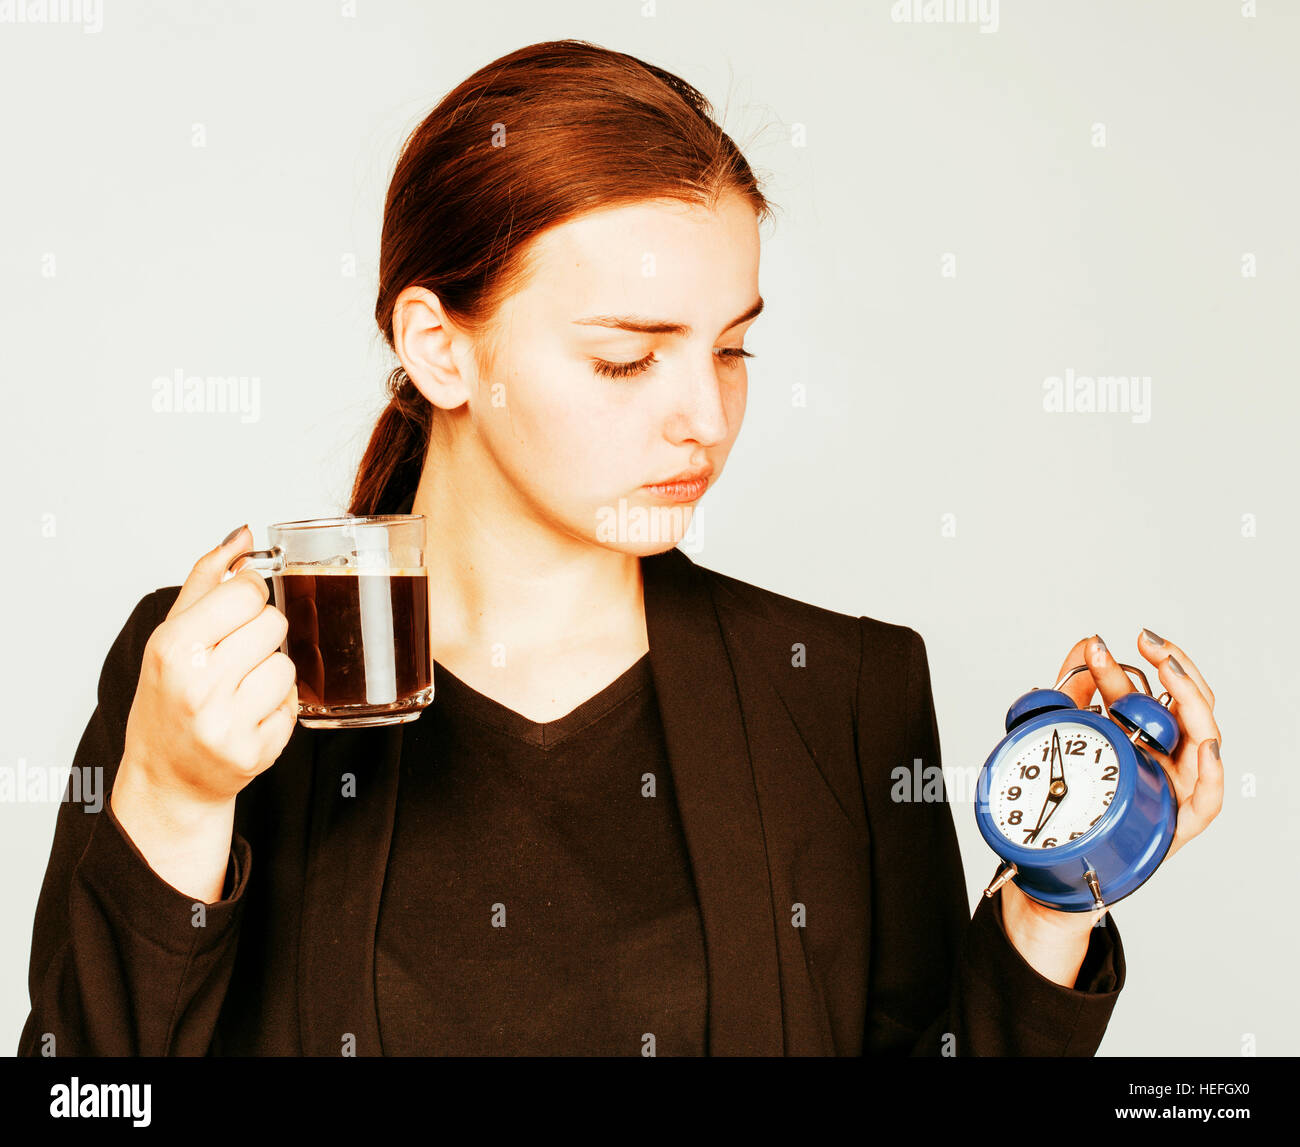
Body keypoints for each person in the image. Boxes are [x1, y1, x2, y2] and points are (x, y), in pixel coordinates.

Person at [18, 39, 1223, 1057]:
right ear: (442, 348)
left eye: (732, 348)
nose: (701, 415)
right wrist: (173, 802)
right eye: (625, 357)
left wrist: (1063, 878)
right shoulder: (211, 676)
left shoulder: (845, 691)